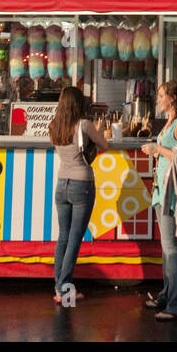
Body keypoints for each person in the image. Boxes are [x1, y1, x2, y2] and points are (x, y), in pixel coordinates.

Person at [47, 86, 108, 303]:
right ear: (77, 103)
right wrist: (98, 131)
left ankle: (59, 287)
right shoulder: (84, 125)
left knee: (63, 237)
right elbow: (105, 145)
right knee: (74, 239)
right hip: (81, 184)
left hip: (61, 184)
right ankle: (64, 290)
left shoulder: (54, 126)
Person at [142, 80, 177, 321]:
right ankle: (167, 294)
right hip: (161, 187)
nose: (158, 99)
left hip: (171, 189)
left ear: (173, 97)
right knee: (165, 247)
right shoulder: (170, 122)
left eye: (161, 95)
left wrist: (156, 149)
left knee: (170, 247)